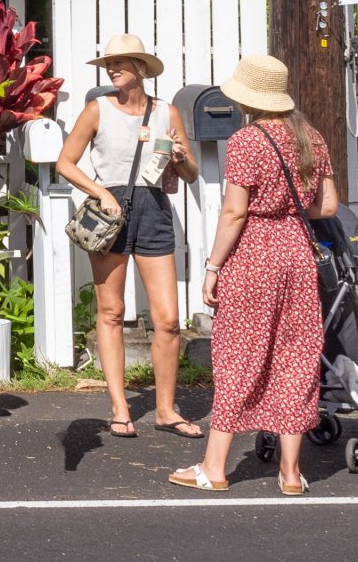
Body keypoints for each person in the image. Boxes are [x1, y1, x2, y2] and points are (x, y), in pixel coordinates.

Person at [170, 53, 338, 495]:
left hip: (254, 254)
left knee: (239, 355)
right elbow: (327, 206)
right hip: (297, 254)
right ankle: (291, 474)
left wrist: (212, 267)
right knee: (296, 358)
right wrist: (287, 207)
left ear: (249, 97)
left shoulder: (247, 140)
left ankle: (214, 467)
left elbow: (235, 212)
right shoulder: (312, 138)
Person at [56, 33, 203, 440]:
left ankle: (166, 410)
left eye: (119, 62)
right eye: (108, 63)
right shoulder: (97, 109)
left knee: (168, 320)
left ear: (140, 67)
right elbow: (65, 163)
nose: (111, 69)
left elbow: (191, 174)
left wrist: (180, 158)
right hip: (110, 211)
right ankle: (120, 408)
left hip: (154, 208)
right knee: (112, 312)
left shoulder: (166, 112)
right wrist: (101, 193)